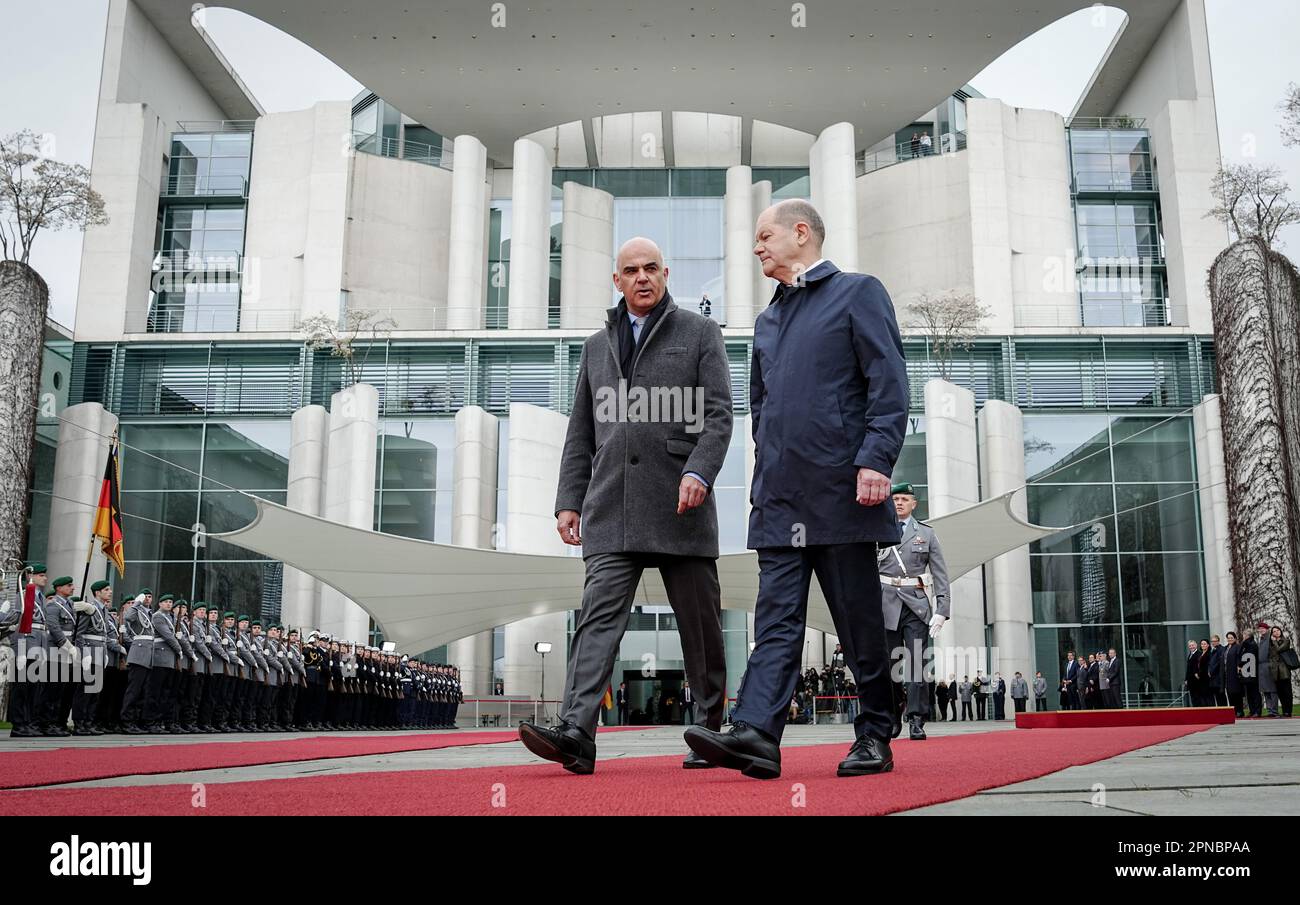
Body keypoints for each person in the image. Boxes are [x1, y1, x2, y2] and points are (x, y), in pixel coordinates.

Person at [684, 199, 908, 780]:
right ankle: (757, 732)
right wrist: (763, 483)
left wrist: (876, 460)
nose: (757, 247)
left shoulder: (858, 293)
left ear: (801, 233)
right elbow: (762, 412)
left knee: (859, 623)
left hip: (844, 490)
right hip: (781, 501)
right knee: (776, 619)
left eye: (765, 236)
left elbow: (888, 382)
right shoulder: (767, 321)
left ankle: (876, 734)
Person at [519, 236, 733, 776]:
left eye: (651, 269)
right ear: (617, 280)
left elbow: (719, 414)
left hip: (681, 502)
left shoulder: (701, 332)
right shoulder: (595, 347)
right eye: (631, 270)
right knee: (597, 620)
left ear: (666, 273)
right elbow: (581, 432)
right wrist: (569, 500)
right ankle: (576, 733)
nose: (642, 278)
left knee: (701, 627)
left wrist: (700, 471)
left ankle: (710, 729)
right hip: (610, 506)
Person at [878, 481, 950, 741]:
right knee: (889, 666)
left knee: (917, 665)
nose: (899, 503)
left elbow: (940, 573)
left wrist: (942, 610)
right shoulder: (878, 529)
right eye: (895, 498)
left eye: (904, 499)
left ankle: (917, 718)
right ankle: (895, 712)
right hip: (885, 606)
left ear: (913, 503)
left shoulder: (927, 534)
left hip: (917, 606)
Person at [70, 580, 117, 735]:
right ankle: (79, 723)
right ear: (97, 593)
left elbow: (103, 635)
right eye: (106, 589)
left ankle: (89, 722)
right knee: (84, 691)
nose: (110, 592)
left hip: (99, 653)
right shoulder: (89, 608)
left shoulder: (103, 609)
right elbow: (79, 633)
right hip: (89, 653)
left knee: (95, 691)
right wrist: (84, 654)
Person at [143, 594, 182, 733]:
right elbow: (168, 636)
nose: (168, 604)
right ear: (159, 604)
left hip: (170, 659)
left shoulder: (172, 618)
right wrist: (179, 649)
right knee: (155, 692)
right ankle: (150, 721)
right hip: (160, 657)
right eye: (165, 602)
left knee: (166, 693)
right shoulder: (158, 616)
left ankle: (161, 721)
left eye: (170, 602)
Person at [119, 589, 154, 734]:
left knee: (142, 692)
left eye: (150, 597)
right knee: (133, 691)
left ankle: (136, 721)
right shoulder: (137, 610)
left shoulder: (150, 613)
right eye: (145, 596)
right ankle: (126, 721)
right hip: (138, 653)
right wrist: (137, 603)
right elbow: (127, 617)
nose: (147, 598)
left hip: (148, 655)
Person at [1264, 625, 1293, 717]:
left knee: (1287, 691)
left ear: (1280, 631)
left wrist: (1274, 641)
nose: (1276, 632)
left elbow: (1279, 650)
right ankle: (1284, 711)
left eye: (1277, 630)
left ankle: (1288, 711)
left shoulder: (1286, 641)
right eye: (1274, 631)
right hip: (1275, 671)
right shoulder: (1271, 643)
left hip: (1284, 670)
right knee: (1280, 692)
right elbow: (1270, 656)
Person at [1241, 627, 1262, 716]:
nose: (1243, 636)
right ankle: (1252, 710)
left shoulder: (1250, 644)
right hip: (1248, 672)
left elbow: (1249, 659)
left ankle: (1257, 711)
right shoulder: (1246, 644)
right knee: (1249, 693)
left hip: (1251, 672)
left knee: (1254, 692)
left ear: (1247, 635)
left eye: (1244, 635)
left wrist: (1240, 664)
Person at [1223, 632, 1244, 717]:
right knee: (1230, 693)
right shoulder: (1226, 648)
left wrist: (1239, 666)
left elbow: (1240, 657)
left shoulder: (1237, 647)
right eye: (1228, 638)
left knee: (1236, 693)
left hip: (1234, 673)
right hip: (1227, 673)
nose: (1230, 639)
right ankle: (1233, 711)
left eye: (1231, 638)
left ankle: (1240, 711)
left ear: (1235, 638)